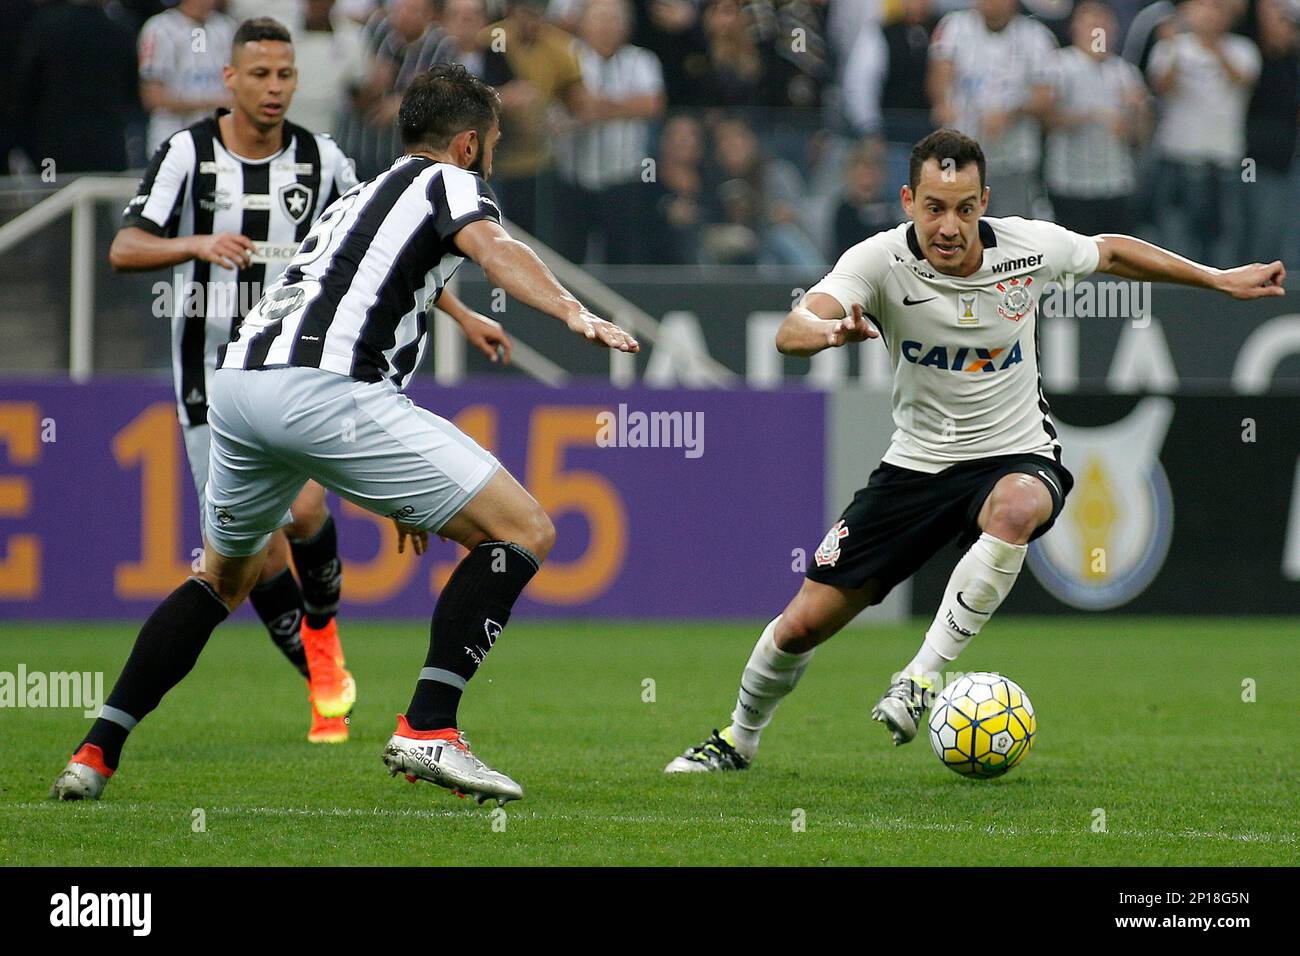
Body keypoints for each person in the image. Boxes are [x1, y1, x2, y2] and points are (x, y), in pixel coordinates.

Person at [52, 63, 639, 806]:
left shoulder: (357, 199)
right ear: (467, 145)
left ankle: (94, 752)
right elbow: (496, 249)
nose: (489, 158)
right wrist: (569, 310)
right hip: (325, 390)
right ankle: (430, 727)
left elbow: (353, 297)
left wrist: (396, 487)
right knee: (525, 529)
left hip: (238, 388)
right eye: (488, 143)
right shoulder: (451, 184)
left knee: (220, 580)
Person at [666, 128, 1285, 773]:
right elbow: (794, 327)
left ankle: (922, 677)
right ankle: (738, 740)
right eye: (935, 206)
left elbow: (1111, 253)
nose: (950, 226)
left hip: (1016, 453)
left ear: (983, 202)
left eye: (964, 208)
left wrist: (1216, 279)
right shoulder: (877, 261)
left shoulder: (1029, 248)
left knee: (1016, 508)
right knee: (801, 626)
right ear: (908, 201)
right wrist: (825, 332)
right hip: (916, 466)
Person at [108, 17, 364, 744]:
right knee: (257, 556)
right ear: (230, 79)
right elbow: (125, 247)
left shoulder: (322, 160)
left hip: (293, 370)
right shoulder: (187, 154)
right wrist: (195, 243)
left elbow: (377, 238)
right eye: (259, 74)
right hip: (208, 386)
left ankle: (323, 641)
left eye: (285, 75)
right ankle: (322, 677)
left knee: (307, 510)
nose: (275, 87)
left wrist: (464, 312)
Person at [928, 0, 1057, 217]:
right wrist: (943, 104)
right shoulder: (955, 26)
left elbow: (1046, 97)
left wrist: (1011, 114)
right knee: (959, 226)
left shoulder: (1036, 35)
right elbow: (939, 73)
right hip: (960, 156)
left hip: (1014, 159)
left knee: (1009, 234)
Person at [1044, 1, 1150, 237]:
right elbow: (1047, 119)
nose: (1097, 31)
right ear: (1075, 28)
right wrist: (1093, 115)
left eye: (1103, 24)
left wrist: (1138, 113)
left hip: (1117, 182)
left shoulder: (1125, 72)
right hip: (1070, 182)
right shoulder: (1059, 65)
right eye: (1090, 24)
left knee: (1115, 264)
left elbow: (1140, 138)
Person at [138, 0, 238, 154]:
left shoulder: (227, 28)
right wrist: (212, 102)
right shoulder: (159, 28)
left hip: (218, 141)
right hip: (171, 138)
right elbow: (152, 98)